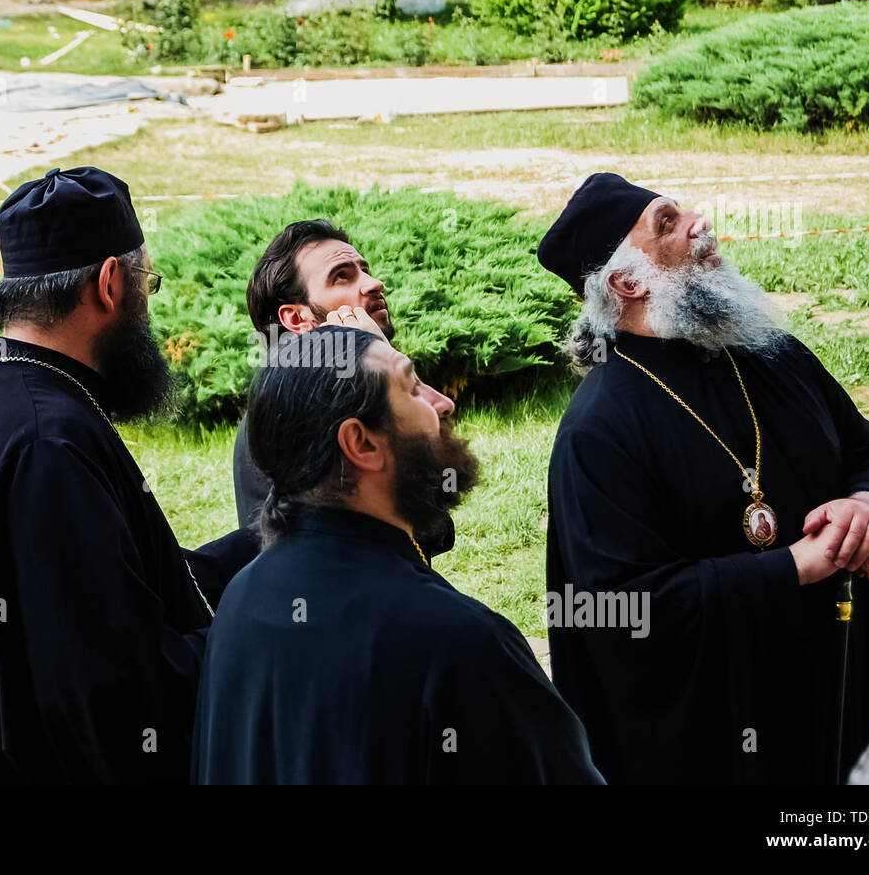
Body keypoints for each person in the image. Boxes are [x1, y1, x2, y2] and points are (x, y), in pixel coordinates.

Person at [540, 172, 869, 784]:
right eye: (666, 222)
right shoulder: (599, 432)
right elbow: (624, 607)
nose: (699, 221)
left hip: (834, 684)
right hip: (720, 742)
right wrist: (797, 566)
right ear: (626, 281)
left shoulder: (771, 354)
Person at [0, 166, 256, 784]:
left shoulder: (9, 396)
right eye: (146, 286)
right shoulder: (47, 443)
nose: (147, 310)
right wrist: (272, 637)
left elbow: (124, 590)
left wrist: (277, 540)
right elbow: (115, 696)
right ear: (109, 284)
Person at [193, 326, 605, 784]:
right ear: (361, 443)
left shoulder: (239, 601)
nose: (442, 402)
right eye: (413, 387)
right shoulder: (462, 646)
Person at [234, 219, 454, 533]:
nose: (374, 283)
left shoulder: (343, 387)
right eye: (342, 277)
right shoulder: (293, 412)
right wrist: (376, 353)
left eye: (365, 270)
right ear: (297, 318)